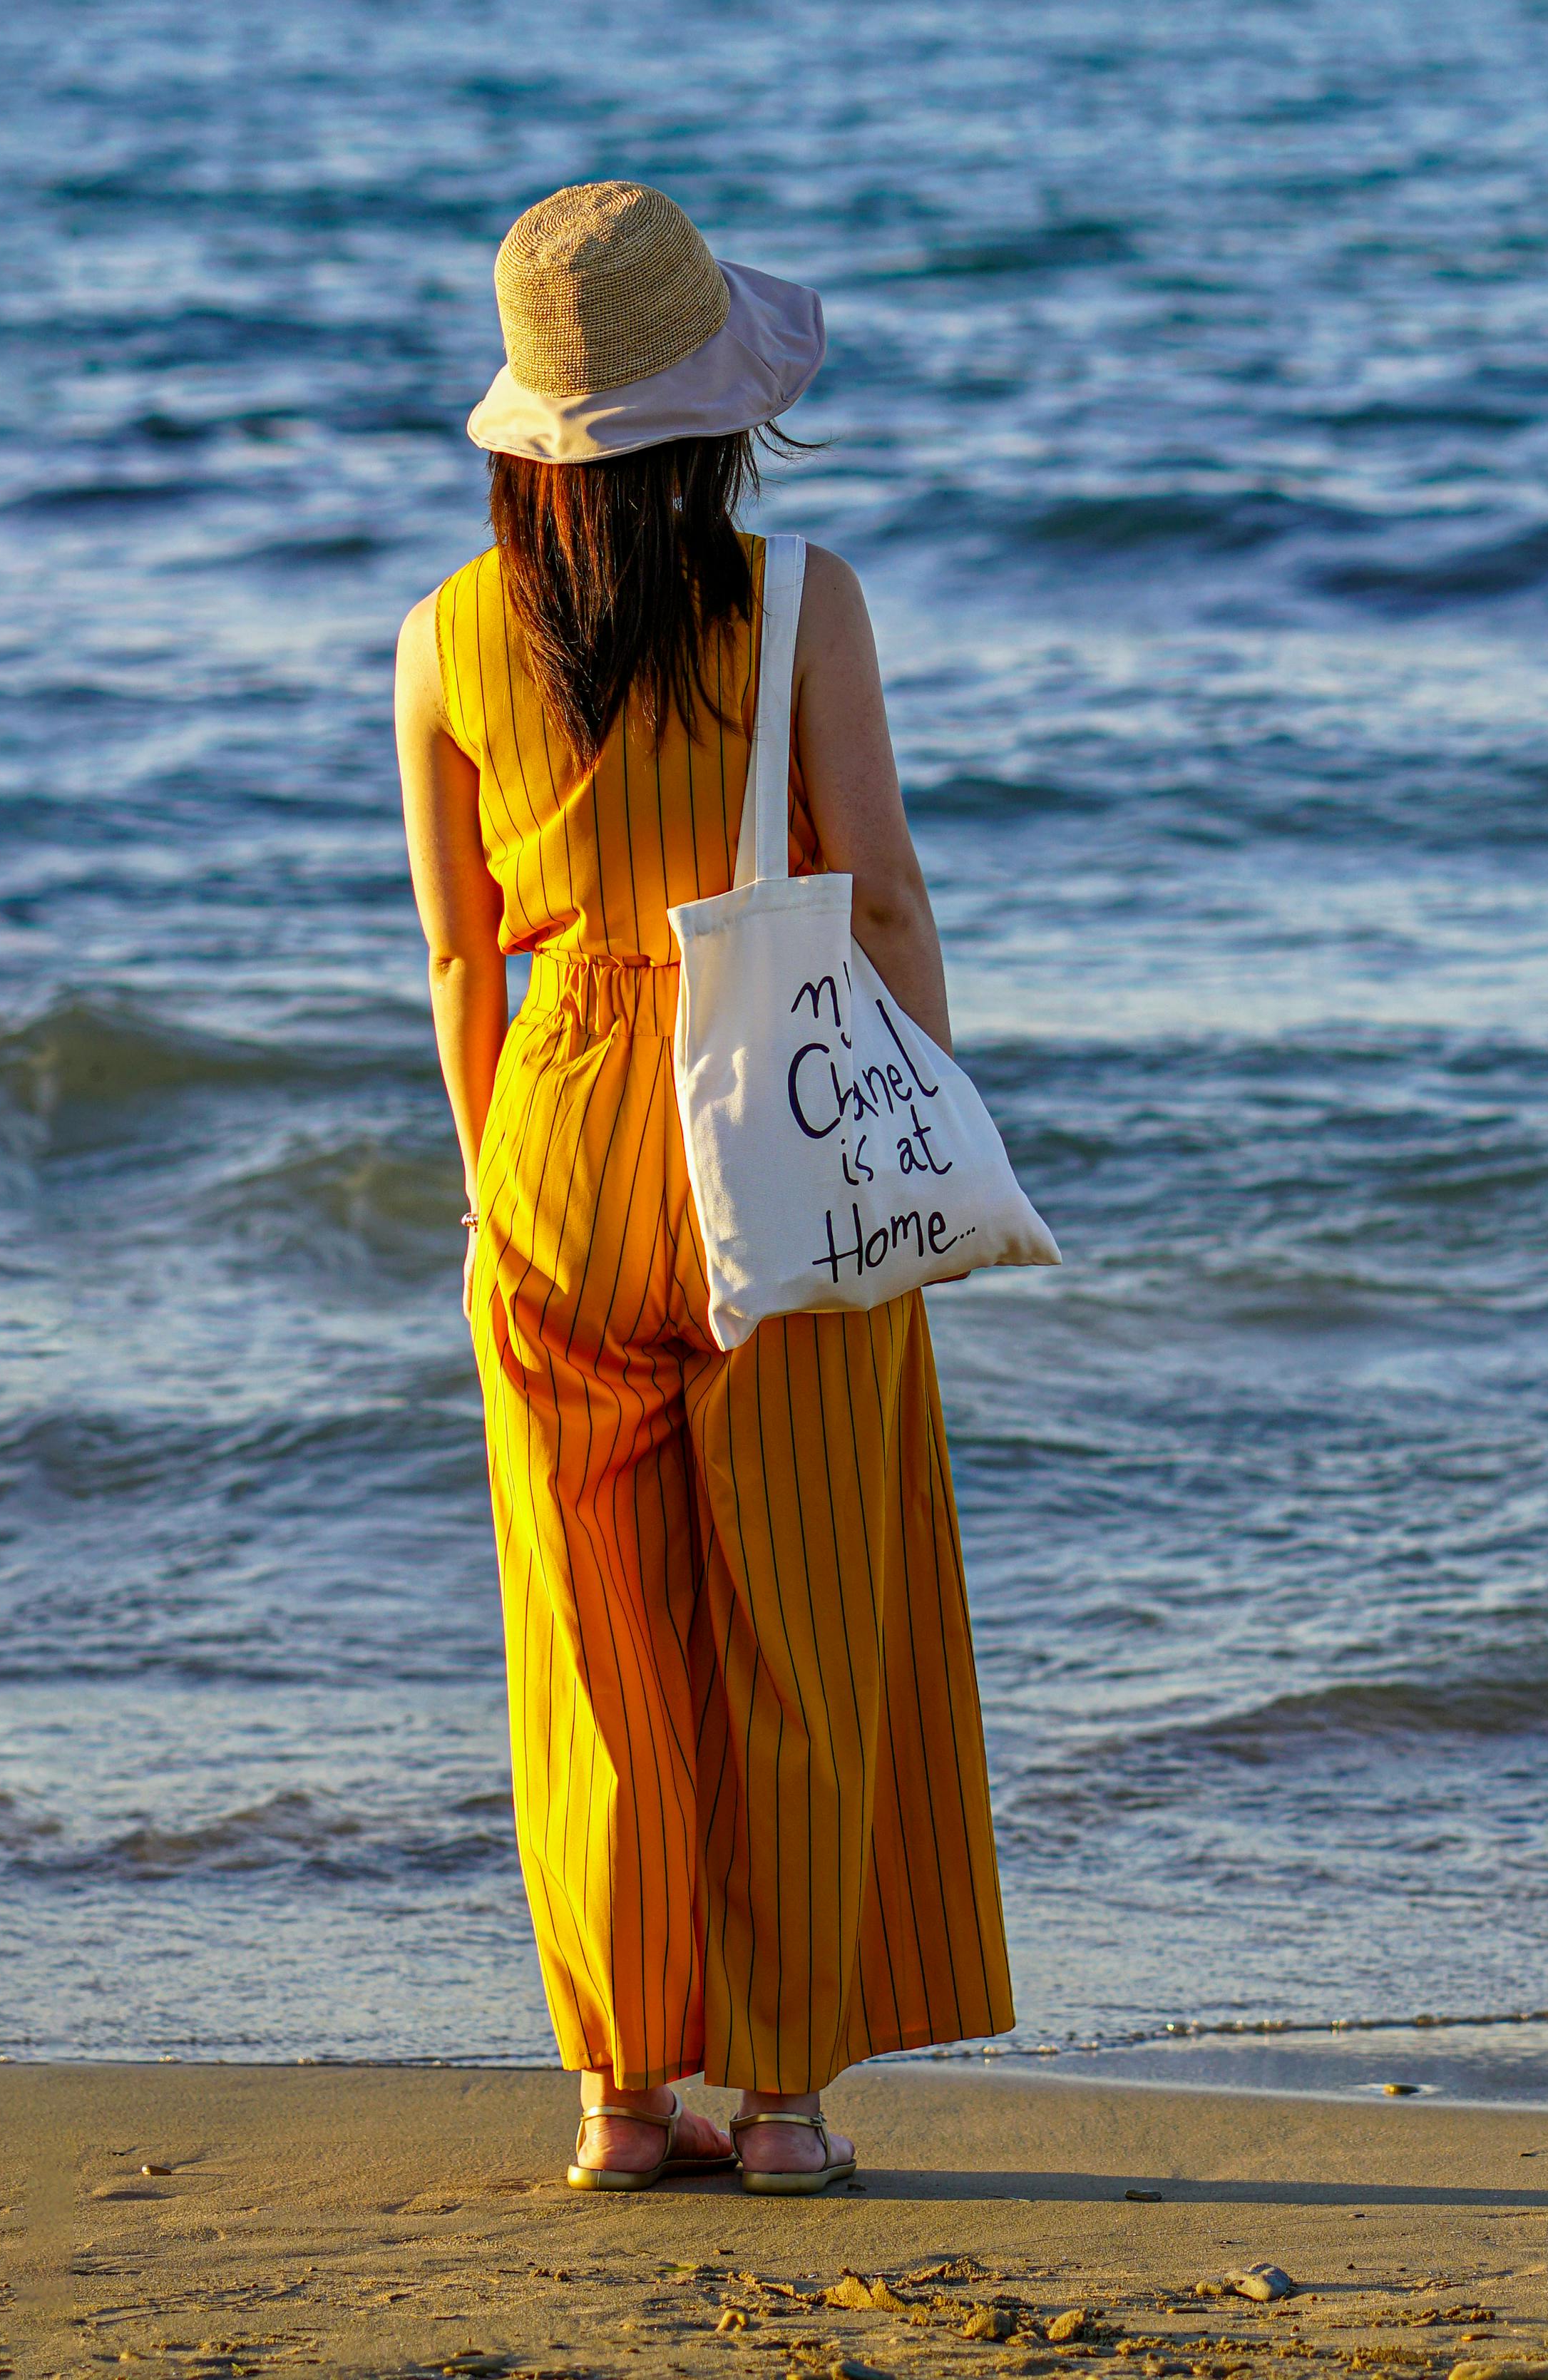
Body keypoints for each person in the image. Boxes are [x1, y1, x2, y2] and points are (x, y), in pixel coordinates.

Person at [394, 181, 1014, 2194]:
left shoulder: (442, 638)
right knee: (797, 1624)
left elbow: (460, 957)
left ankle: (616, 2088)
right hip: (771, 1133)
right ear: (720, 415)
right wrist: (922, 1114)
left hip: (557, 1139)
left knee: (596, 1645)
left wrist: (492, 1191)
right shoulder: (802, 598)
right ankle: (782, 2104)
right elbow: (884, 894)